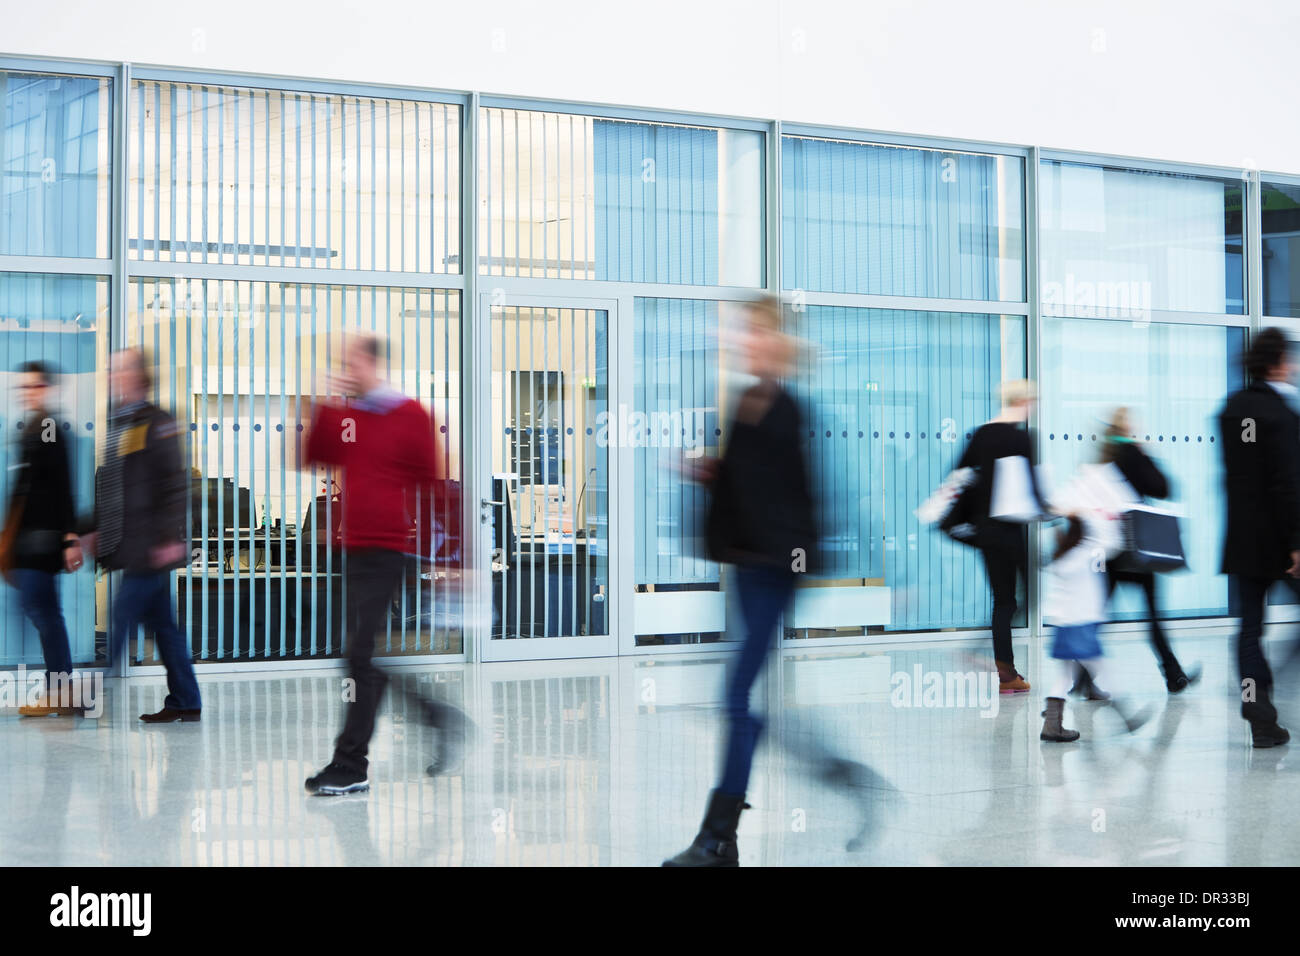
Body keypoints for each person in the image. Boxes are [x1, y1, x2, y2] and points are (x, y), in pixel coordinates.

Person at [663, 295, 818, 867]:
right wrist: (710, 472)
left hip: (775, 571)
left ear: (774, 339)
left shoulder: (785, 407)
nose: (739, 340)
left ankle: (718, 838)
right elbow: (750, 485)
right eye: (739, 331)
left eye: (750, 331)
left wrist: (797, 567)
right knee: (740, 698)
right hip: (749, 568)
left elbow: (801, 496)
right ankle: (723, 831)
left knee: (735, 695)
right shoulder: (747, 400)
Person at [302, 333, 440, 795]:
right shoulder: (351, 417)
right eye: (342, 363)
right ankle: (437, 716)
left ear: (373, 365)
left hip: (389, 549)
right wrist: (322, 403)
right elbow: (316, 456)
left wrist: (450, 557)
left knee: (359, 655)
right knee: (365, 657)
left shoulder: (410, 414)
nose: (347, 370)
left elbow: (431, 480)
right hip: (354, 548)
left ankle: (350, 765)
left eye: (352, 363)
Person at [81, 349, 202, 722]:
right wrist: (93, 529)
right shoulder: (118, 422)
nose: (112, 375)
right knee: (164, 628)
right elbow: (113, 485)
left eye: (119, 370)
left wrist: (169, 538)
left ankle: (87, 696)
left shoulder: (158, 422)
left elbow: (175, 485)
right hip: (129, 541)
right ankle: (186, 700)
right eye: (111, 369)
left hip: (150, 545)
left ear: (137, 376)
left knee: (120, 618)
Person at [1219, 327, 1300, 748]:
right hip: (1281, 541)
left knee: (1249, 631)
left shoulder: (1233, 409)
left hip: (1243, 541)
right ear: (1276, 362)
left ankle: (1258, 711)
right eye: (1289, 359)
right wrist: (1295, 541)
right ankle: (1271, 687)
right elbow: (1287, 482)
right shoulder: (1280, 414)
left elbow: (1241, 477)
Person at [1090, 407, 1200, 696]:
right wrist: (1148, 452)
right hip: (1137, 548)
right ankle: (1174, 676)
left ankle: (1082, 678)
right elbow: (1163, 487)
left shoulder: (1104, 456)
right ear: (1127, 426)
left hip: (1110, 548)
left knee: (1097, 614)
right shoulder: (1133, 453)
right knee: (1152, 615)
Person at [1039, 467, 1151, 742]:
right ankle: (1126, 716)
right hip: (1080, 625)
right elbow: (1107, 545)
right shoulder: (1087, 555)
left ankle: (1052, 724)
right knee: (1102, 669)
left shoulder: (1066, 556)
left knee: (1065, 676)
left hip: (1065, 625)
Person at [2, 362, 84, 716]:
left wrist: (68, 537)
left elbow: (62, 484)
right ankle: (61, 691)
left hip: (42, 542)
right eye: (25, 387)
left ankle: (61, 691)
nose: (28, 393)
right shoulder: (35, 427)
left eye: (34, 387)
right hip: (30, 542)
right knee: (44, 613)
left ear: (47, 389)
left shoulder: (48, 426)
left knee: (44, 614)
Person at [956, 380, 1047, 694]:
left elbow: (961, 476)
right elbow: (1033, 485)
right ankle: (996, 662)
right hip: (1009, 529)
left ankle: (1006, 673)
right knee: (1024, 599)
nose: (1032, 405)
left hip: (985, 530)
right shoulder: (1022, 437)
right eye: (1032, 400)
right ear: (1021, 400)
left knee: (1004, 601)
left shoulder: (981, 434)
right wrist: (1050, 508)